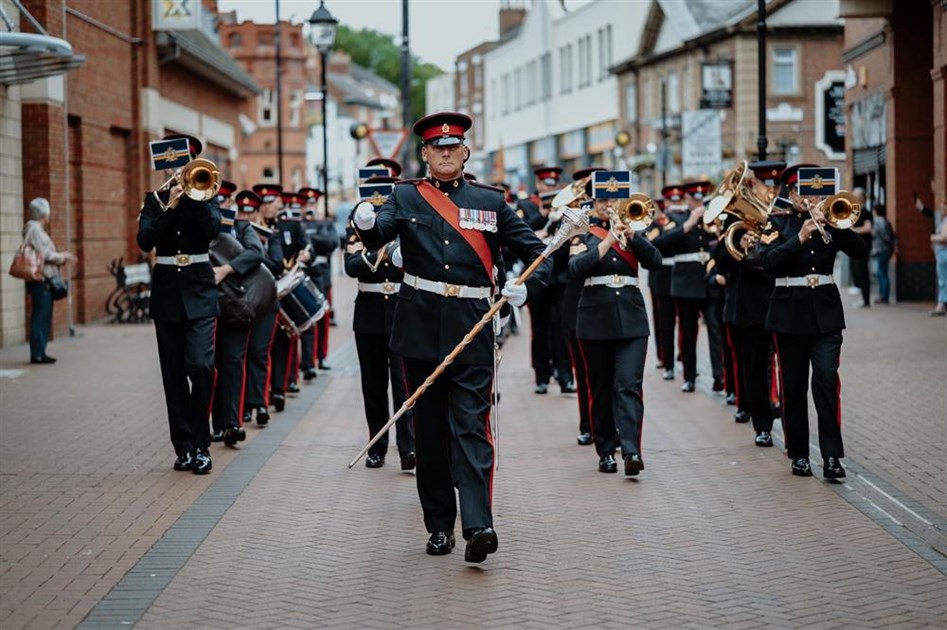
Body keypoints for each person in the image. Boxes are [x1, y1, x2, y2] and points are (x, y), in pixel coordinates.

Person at [353, 111, 550, 564]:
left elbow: (538, 252)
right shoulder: (405, 196)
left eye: (452, 147)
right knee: (429, 433)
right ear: (424, 154)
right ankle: (440, 525)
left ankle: (478, 525)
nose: (445, 153)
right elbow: (378, 237)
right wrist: (364, 222)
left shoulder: (490, 201)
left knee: (471, 427)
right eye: (436, 147)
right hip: (419, 328)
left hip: (472, 326)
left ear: (465, 151)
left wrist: (524, 288)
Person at [759, 164, 869, 479]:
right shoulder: (777, 221)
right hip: (789, 315)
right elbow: (767, 261)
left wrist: (836, 225)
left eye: (818, 193)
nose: (812, 199)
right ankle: (799, 455)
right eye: (805, 192)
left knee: (826, 380)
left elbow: (861, 251)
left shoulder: (832, 221)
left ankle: (832, 456)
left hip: (826, 314)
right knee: (793, 388)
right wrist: (800, 236)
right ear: (792, 193)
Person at [568, 173, 663, 476]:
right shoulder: (582, 232)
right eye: (603, 200)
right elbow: (575, 268)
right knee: (600, 388)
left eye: (614, 199)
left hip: (632, 317)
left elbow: (655, 262)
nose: (609, 205)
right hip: (595, 318)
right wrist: (607, 241)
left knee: (628, 384)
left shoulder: (633, 228)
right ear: (594, 201)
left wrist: (633, 236)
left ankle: (632, 450)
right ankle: (606, 450)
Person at [136, 133, 220, 475]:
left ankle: (202, 444)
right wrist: (170, 206)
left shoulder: (208, 194)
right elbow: (145, 241)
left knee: (201, 366)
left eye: (184, 164)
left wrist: (194, 197)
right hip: (168, 295)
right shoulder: (154, 201)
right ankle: (184, 448)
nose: (178, 171)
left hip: (200, 292)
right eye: (173, 166)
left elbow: (213, 231)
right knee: (173, 376)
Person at [344, 174, 416, 470]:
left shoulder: (403, 221)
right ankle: (377, 447)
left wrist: (375, 253)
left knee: (403, 386)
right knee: (373, 387)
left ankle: (409, 448)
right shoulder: (356, 225)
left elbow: (411, 263)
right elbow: (351, 266)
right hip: (369, 315)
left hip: (401, 312)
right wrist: (382, 252)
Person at [209, 183, 264, 446]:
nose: (220, 205)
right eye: (215, 200)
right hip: (208, 306)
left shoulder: (241, 227)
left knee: (232, 363)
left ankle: (232, 423)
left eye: (224, 200)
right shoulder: (202, 226)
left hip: (234, 305)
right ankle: (216, 423)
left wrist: (227, 269)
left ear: (231, 202)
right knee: (210, 365)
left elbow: (256, 252)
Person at [660, 182, 723, 393]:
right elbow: (663, 241)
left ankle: (719, 376)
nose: (698, 202)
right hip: (685, 283)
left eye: (701, 198)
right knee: (688, 332)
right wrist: (689, 223)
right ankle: (689, 377)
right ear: (687, 199)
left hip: (708, 281)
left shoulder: (712, 217)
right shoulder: (676, 218)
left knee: (715, 329)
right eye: (694, 198)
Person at [241, 188, 283, 426]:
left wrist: (254, 251)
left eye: (251, 212)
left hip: (265, 302)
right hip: (240, 302)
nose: (247, 217)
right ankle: (244, 407)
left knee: (259, 354)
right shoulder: (232, 234)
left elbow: (277, 265)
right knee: (240, 355)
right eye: (243, 213)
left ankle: (259, 403)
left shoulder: (270, 235)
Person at [21, 198, 77, 364]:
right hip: (41, 280)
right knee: (41, 316)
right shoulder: (34, 228)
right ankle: (37, 353)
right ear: (44, 213)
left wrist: (61, 257)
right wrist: (63, 256)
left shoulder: (37, 229)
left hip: (44, 280)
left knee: (44, 316)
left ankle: (40, 351)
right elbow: (44, 254)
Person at [849, 187, 873, 308]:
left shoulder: (865, 212)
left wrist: (854, 230)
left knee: (863, 274)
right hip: (856, 248)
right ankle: (863, 298)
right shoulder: (856, 211)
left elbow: (868, 228)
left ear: (860, 198)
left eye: (854, 196)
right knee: (858, 272)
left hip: (863, 248)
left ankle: (866, 300)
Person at [871, 204, 895, 305]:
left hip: (881, 250)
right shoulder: (885, 220)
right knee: (882, 272)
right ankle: (883, 296)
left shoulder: (878, 221)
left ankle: (884, 296)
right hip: (886, 250)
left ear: (876, 211)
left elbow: (880, 235)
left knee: (882, 273)